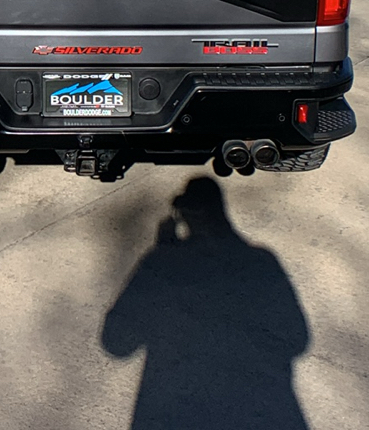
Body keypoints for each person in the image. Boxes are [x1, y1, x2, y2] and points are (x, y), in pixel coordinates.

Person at [102, 176, 311, 429]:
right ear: (221, 214)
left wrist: (159, 259)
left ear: (184, 216)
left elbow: (116, 342)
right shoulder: (261, 262)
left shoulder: (163, 263)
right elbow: (297, 339)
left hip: (174, 413)